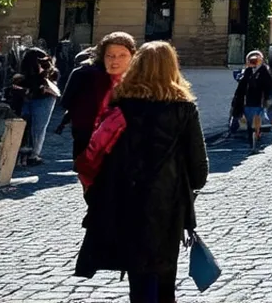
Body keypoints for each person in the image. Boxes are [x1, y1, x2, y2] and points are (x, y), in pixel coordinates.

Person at [74, 41, 209, 303]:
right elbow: (199, 171)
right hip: (168, 203)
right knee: (164, 273)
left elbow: (98, 151)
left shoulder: (120, 104)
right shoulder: (184, 109)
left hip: (125, 197)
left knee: (137, 274)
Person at [58, 32, 137, 161]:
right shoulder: (134, 78)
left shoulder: (81, 72)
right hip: (116, 134)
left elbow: (66, 102)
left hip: (85, 129)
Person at [18, 47, 60, 166]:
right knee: (39, 127)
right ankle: (34, 154)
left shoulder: (24, 69)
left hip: (29, 98)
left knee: (27, 125)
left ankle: (24, 153)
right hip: (43, 98)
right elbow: (53, 77)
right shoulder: (45, 68)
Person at [232, 50, 272, 149]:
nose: (254, 63)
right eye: (252, 60)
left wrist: (268, 99)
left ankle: (254, 141)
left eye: (255, 60)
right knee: (249, 123)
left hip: (258, 102)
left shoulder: (264, 71)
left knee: (254, 123)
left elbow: (269, 87)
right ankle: (253, 140)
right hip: (247, 102)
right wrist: (237, 100)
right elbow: (241, 88)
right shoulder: (247, 72)